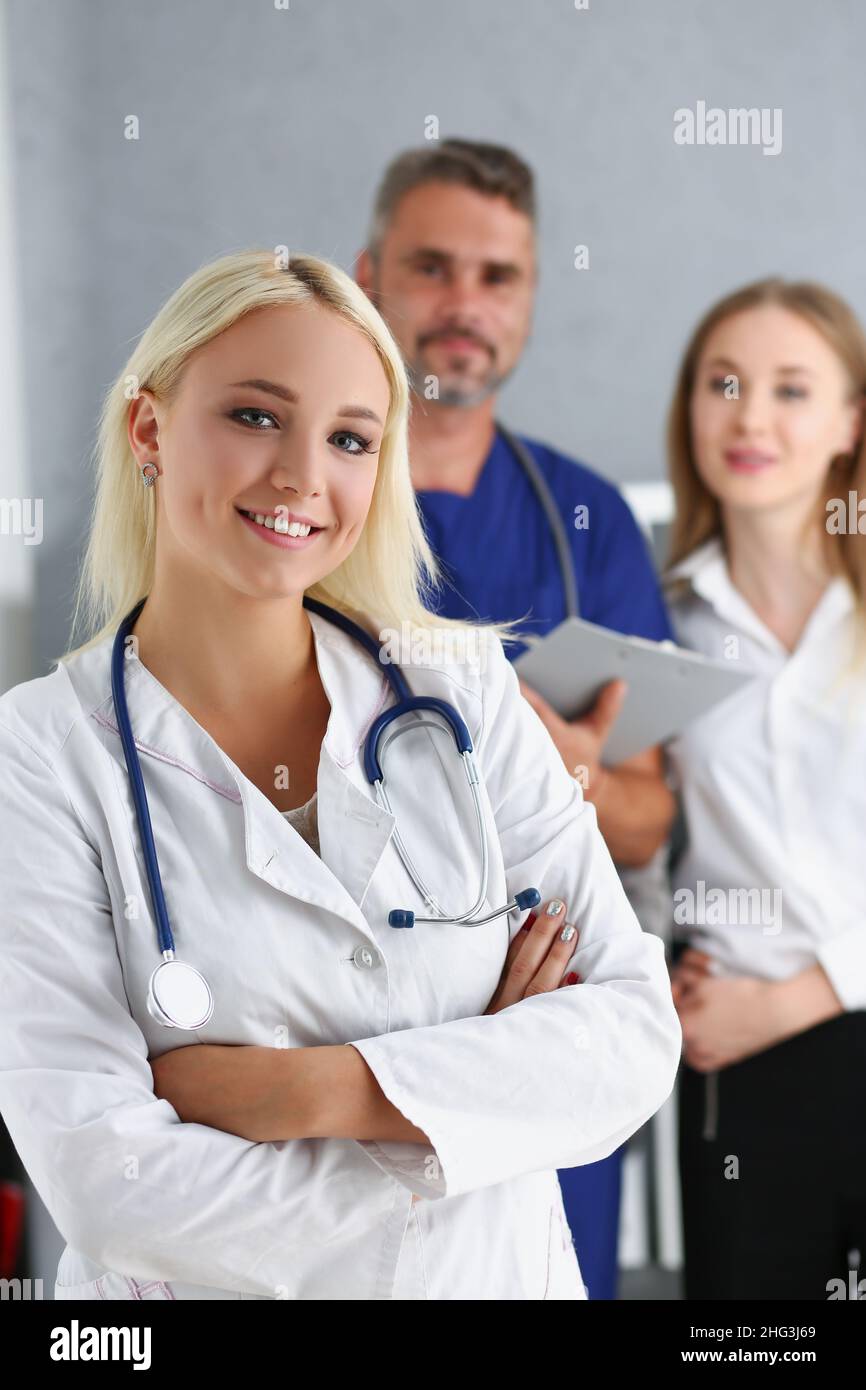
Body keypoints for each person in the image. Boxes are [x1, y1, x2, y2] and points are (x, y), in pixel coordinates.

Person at [0, 248, 681, 1302]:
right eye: (255, 416)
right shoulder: (40, 754)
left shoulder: (464, 691)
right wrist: (476, 1110)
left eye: (350, 439)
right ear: (148, 430)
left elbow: (630, 1040)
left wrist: (306, 1091)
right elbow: (108, 1184)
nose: (302, 477)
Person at [355, 138, 677, 1298]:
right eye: (430, 267)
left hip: (549, 1031)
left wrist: (572, 772)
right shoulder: (305, 501)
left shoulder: (583, 517)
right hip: (352, 1037)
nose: (463, 304)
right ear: (368, 275)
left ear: (530, 295)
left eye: (496, 276)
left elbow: (646, 821)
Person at [663, 276, 866, 1300]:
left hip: (792, 1009)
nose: (748, 418)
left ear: (849, 422)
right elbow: (618, 830)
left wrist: (802, 996)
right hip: (735, 1066)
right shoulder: (657, 627)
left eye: (790, 389)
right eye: (724, 384)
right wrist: (649, 974)